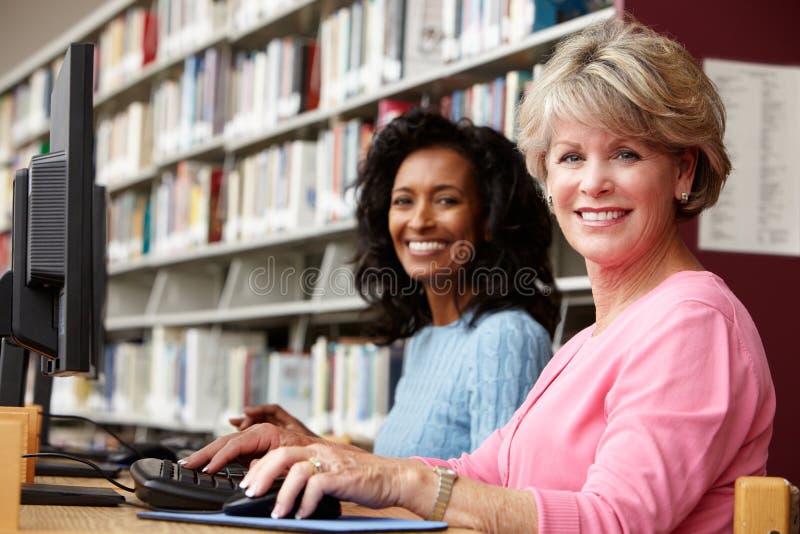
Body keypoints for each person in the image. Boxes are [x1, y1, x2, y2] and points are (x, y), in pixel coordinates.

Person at [182, 18, 775, 533]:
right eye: (570, 156)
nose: (592, 183)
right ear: (546, 178)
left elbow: (614, 522)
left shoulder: (692, 324)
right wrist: (323, 456)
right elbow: (482, 474)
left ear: (683, 170)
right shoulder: (592, 341)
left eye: (627, 154)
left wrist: (401, 482)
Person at [225, 109, 561, 459]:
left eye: (446, 200)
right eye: (403, 201)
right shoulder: (425, 340)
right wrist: (310, 446)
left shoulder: (506, 338)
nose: (418, 221)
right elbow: (400, 478)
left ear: (489, 220)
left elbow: (496, 500)